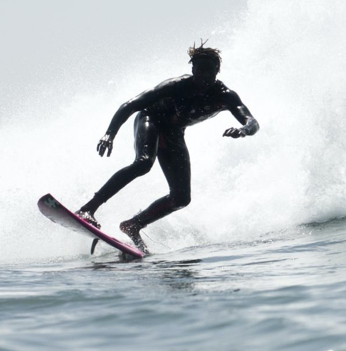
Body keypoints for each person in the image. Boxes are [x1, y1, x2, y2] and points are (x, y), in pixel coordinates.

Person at [76, 44, 258, 252]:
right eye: (200, 70)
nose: (204, 76)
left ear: (217, 70)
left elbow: (252, 121)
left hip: (174, 132)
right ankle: (88, 209)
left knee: (181, 198)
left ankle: (134, 225)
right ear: (193, 69)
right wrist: (110, 133)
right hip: (151, 118)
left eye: (210, 71)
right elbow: (131, 105)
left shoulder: (225, 95)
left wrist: (243, 130)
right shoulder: (176, 85)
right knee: (144, 162)